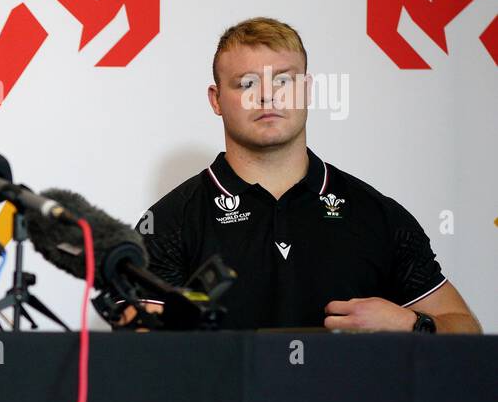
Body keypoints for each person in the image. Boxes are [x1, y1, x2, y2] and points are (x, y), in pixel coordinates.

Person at [132, 17, 479, 332]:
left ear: (307, 90)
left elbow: (465, 328)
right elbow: (138, 355)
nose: (267, 95)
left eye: (283, 80)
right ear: (216, 99)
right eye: (246, 83)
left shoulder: (377, 215)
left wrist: (411, 324)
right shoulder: (169, 223)